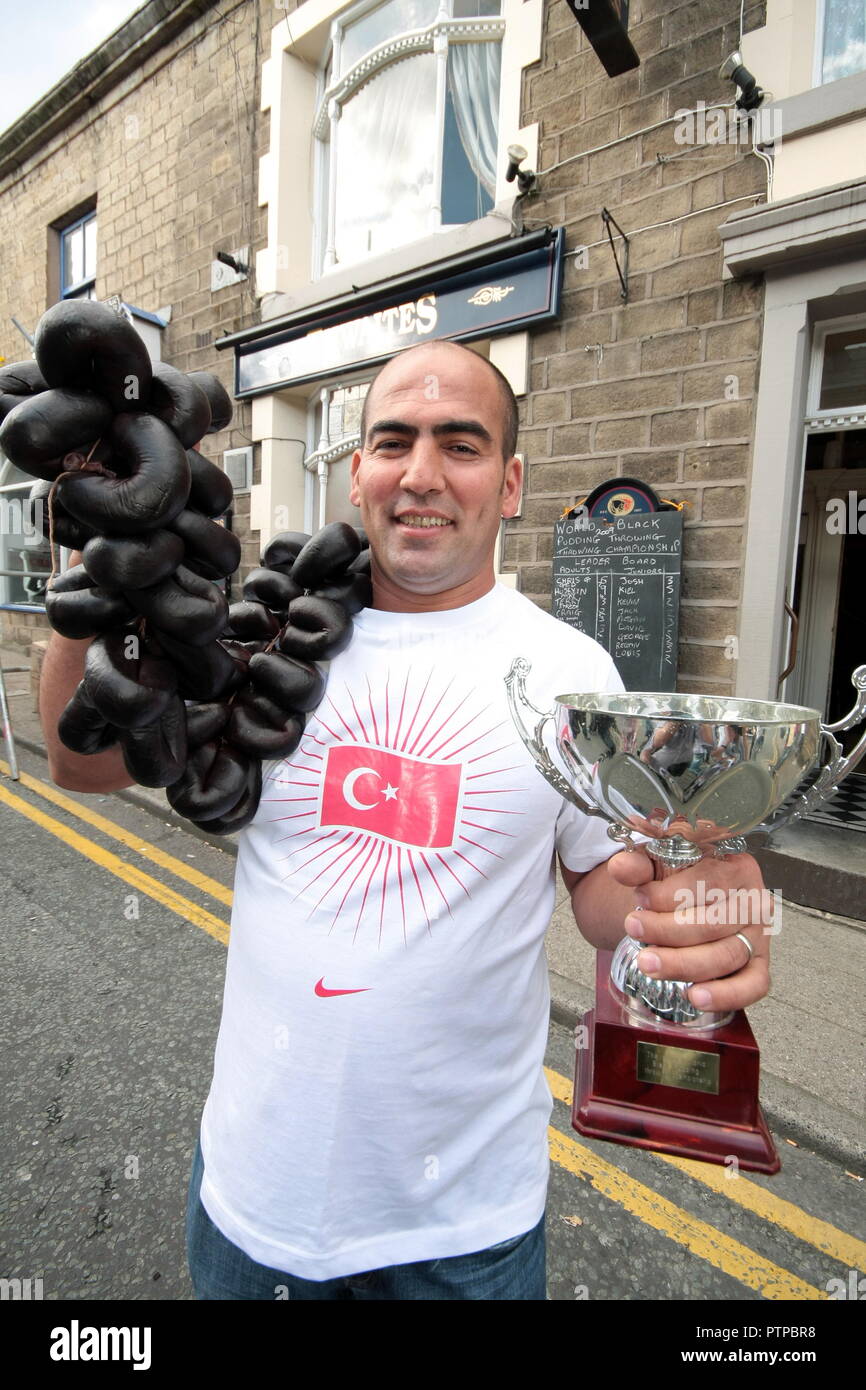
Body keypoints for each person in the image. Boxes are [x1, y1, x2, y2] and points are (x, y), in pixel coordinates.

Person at [39, 339, 771, 1301]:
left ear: (508, 485)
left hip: (465, 1230)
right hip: (257, 1203)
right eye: (393, 442)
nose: (421, 475)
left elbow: (602, 892)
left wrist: (700, 894)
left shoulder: (573, 673)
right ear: (358, 474)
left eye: (460, 446)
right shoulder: (253, 637)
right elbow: (77, 762)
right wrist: (100, 565)